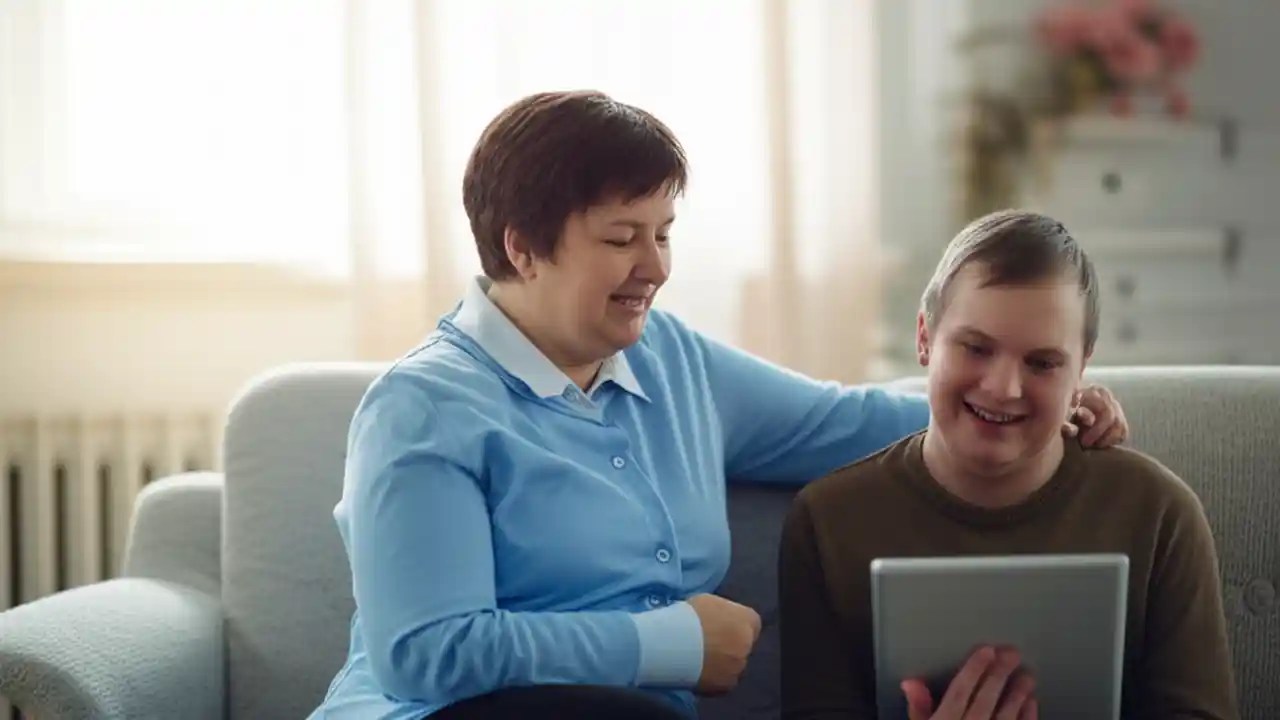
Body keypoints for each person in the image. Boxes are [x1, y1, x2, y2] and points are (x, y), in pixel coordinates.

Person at [309, 93, 1130, 720]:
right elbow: (428, 652)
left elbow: (850, 423)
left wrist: (1032, 406)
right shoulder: (423, 410)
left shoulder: (673, 360)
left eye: (664, 232)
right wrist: (672, 643)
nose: (655, 266)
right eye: (622, 238)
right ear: (522, 245)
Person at [778, 210, 1239, 720]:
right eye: (976, 348)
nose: (1003, 388)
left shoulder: (1159, 516)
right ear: (925, 338)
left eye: (1042, 363)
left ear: (1081, 367)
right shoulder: (826, 524)